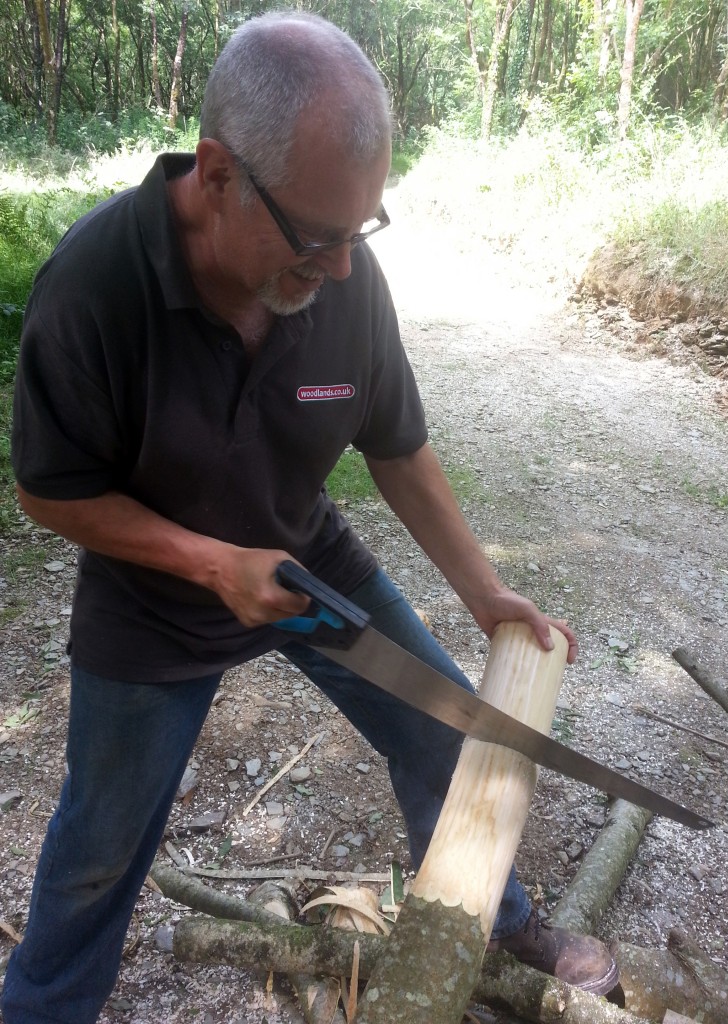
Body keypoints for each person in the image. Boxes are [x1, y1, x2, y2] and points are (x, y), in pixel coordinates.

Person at [3, 12, 618, 1023]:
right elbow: (49, 490)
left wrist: (483, 589)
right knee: (97, 849)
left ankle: (497, 926)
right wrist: (209, 564)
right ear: (217, 175)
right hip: (151, 603)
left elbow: (397, 446)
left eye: (360, 231)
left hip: (304, 559)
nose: (340, 269)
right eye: (318, 236)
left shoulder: (342, 273)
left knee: (447, 733)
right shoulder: (93, 288)